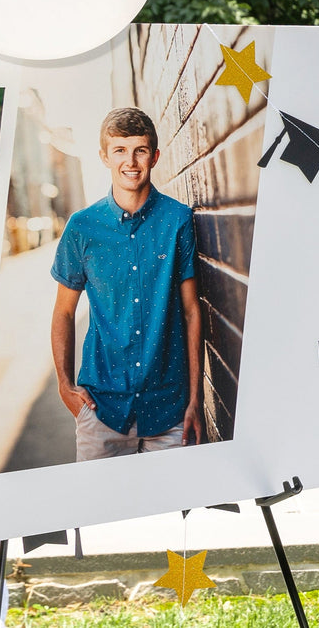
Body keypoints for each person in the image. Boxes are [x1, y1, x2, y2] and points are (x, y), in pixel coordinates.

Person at [50, 107, 204, 461]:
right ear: (105, 157)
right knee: (100, 513)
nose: (130, 161)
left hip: (171, 411)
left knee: (177, 510)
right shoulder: (82, 227)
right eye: (120, 150)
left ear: (155, 156)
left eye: (140, 150)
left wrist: (195, 401)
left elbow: (192, 311)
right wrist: (64, 385)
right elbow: (63, 312)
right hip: (102, 409)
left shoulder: (178, 221)